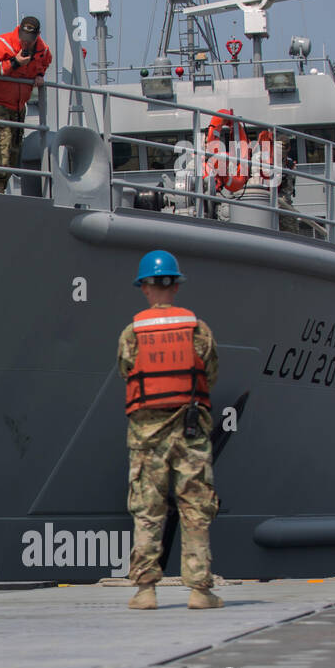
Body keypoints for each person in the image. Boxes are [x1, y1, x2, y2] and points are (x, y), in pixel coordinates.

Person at [116, 250, 223, 611]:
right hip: (191, 431)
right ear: (175, 286)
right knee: (195, 508)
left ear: (144, 288)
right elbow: (209, 373)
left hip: (146, 436)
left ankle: (145, 590)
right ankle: (200, 591)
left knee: (147, 510)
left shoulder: (132, 333)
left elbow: (127, 371)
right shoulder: (198, 329)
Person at [0, 16, 51, 193]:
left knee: (14, 152)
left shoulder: (42, 49)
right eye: (23, 39)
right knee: (2, 150)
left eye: (29, 40)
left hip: (19, 106)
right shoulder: (1, 44)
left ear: (37, 36)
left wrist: (40, 74)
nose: (25, 44)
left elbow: (45, 61)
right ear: (18, 31)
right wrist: (14, 62)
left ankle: (1, 189)